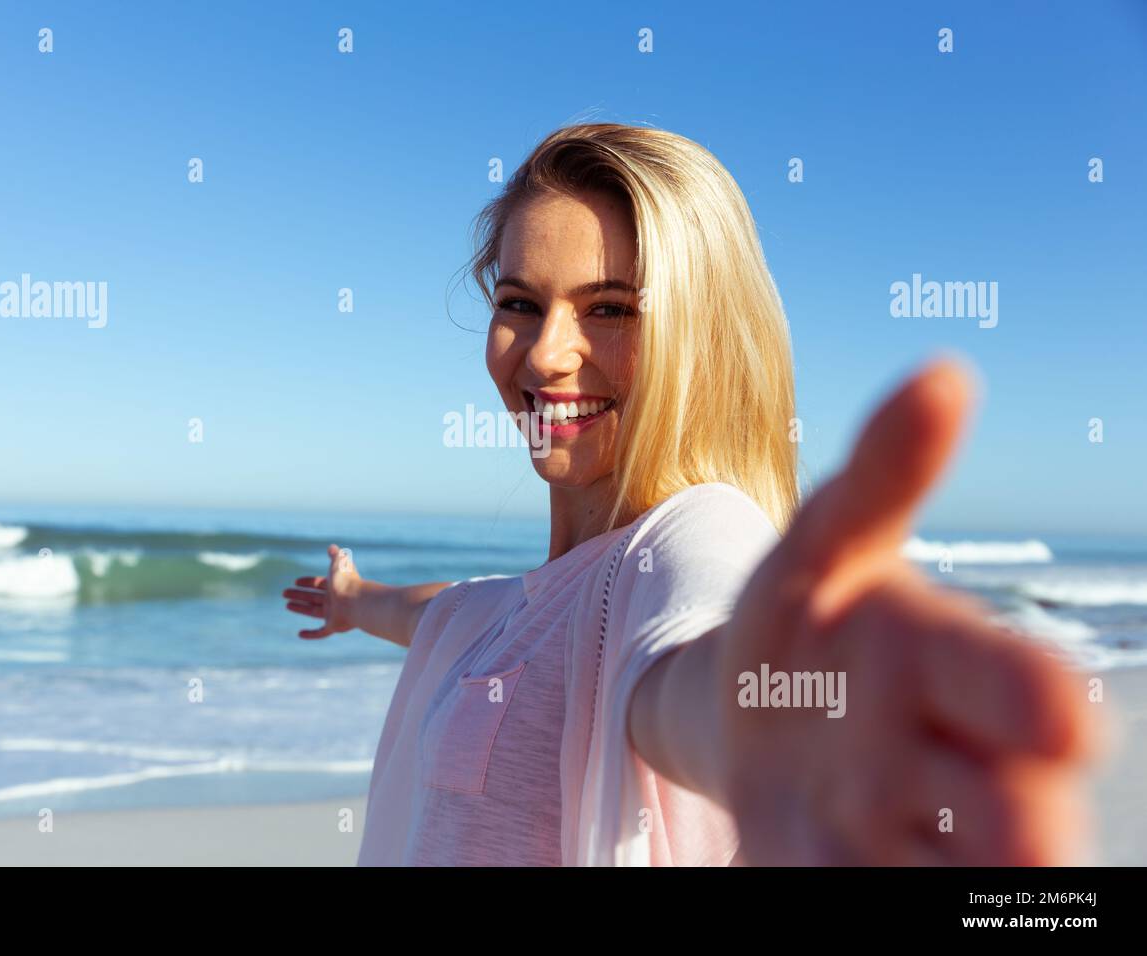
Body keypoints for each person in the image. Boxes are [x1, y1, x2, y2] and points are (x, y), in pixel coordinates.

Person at [284, 123, 1103, 866]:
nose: (544, 357)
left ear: (702, 339)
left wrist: (780, 717)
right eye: (519, 304)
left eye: (610, 308)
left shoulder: (694, 540)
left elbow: (690, 676)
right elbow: (454, 613)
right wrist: (358, 602)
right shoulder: (515, 613)